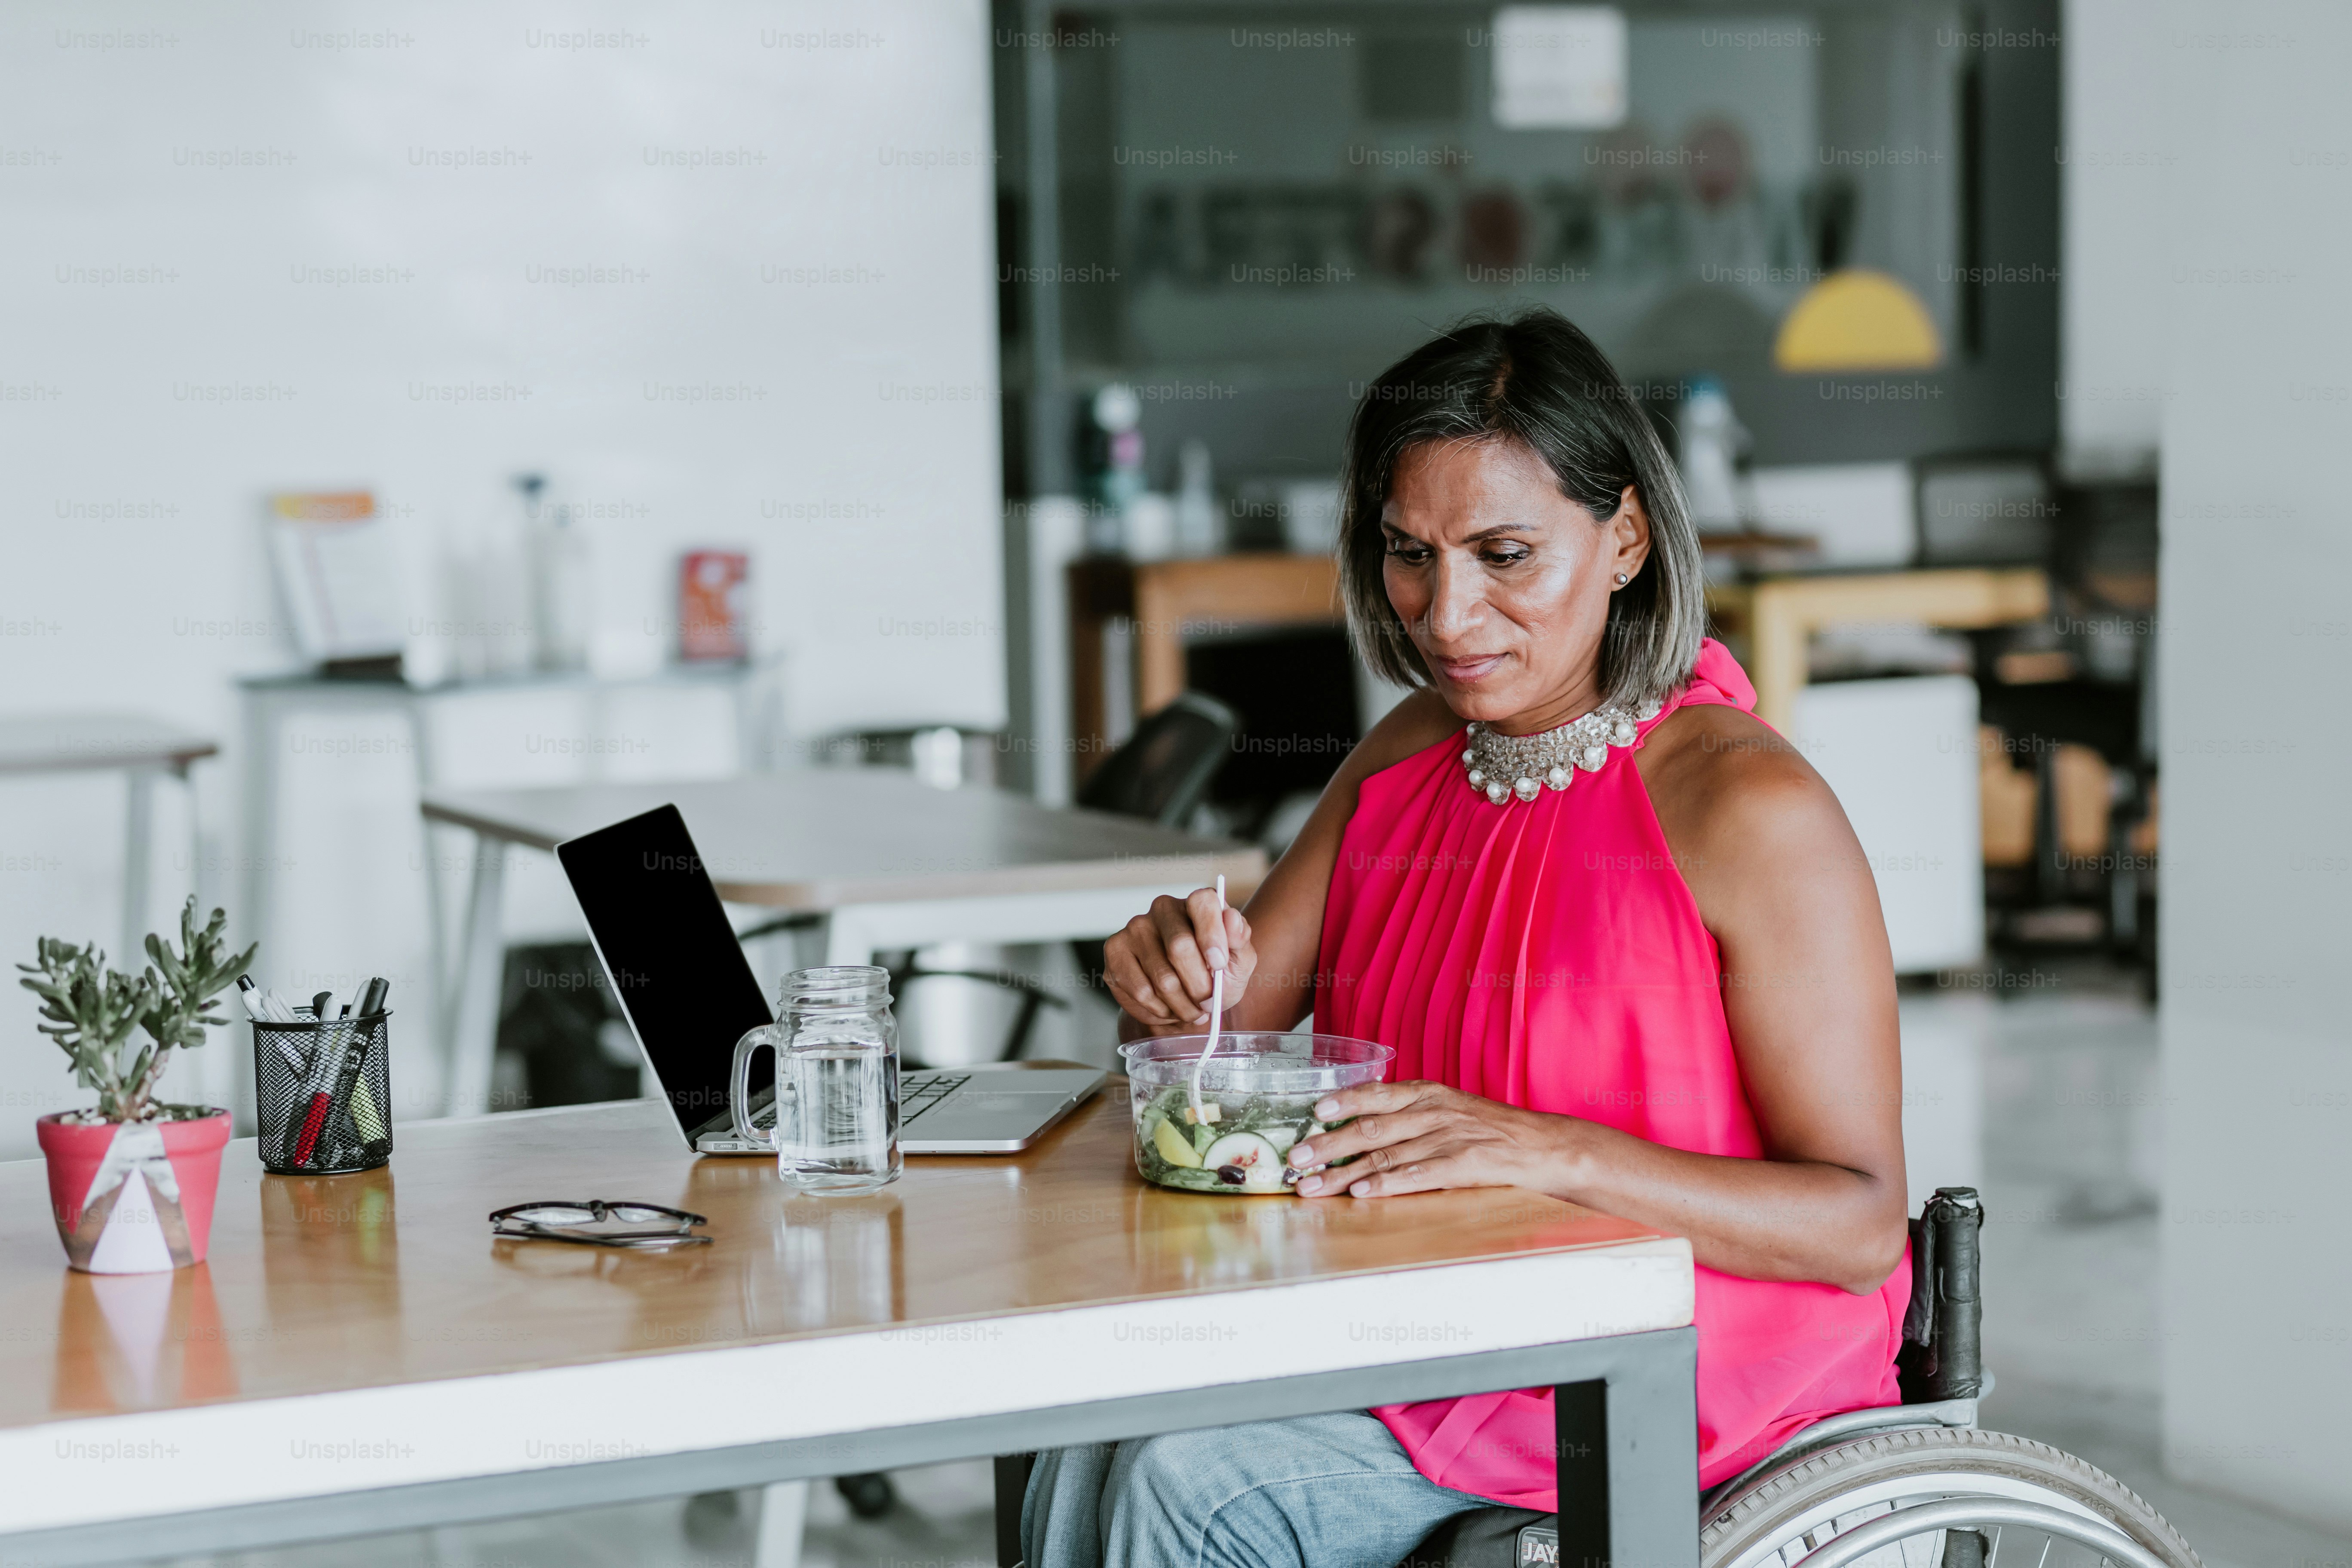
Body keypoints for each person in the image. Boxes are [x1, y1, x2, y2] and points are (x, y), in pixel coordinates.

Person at [1022, 309, 1912, 1568]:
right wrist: (1170, 974)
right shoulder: (1408, 754)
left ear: (1624, 540)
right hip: (1436, 1328)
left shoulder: (1743, 809)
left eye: (1504, 554)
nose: (1447, 616)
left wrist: (1547, 1153)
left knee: (1203, 1484)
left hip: (1676, 1382)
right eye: (1409, 554)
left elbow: (1860, 1225)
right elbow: (1214, 1050)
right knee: (1090, 1407)